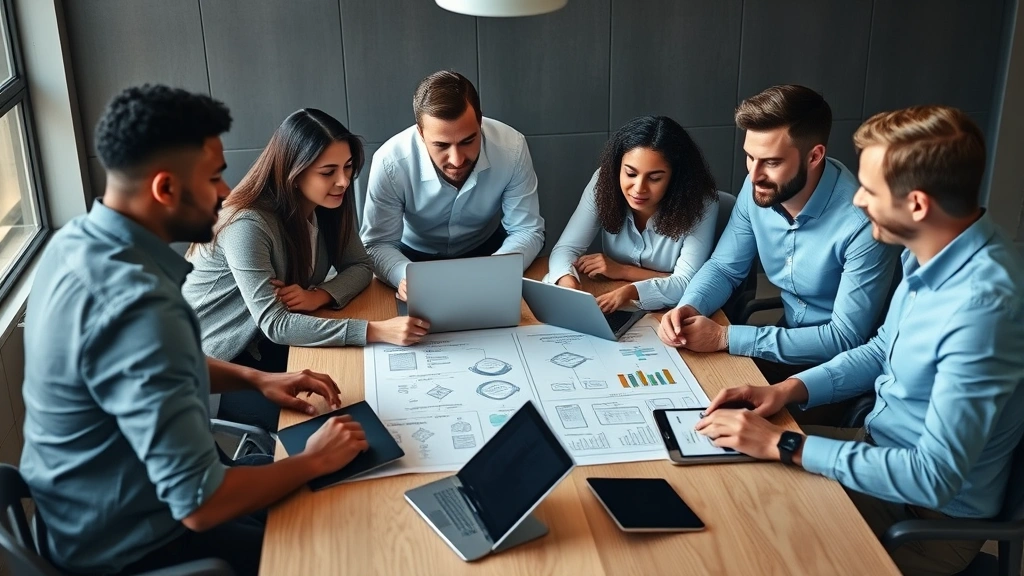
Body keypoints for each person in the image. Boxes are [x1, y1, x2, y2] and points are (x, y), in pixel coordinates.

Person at [20, 85, 370, 576]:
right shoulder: (141, 309)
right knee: (341, 544)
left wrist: (255, 380)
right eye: (213, 177)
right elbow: (200, 503)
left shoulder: (74, 244)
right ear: (166, 189)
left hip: (84, 512)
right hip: (129, 542)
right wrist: (311, 462)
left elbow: (155, 365)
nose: (227, 192)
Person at [695, 105, 1024, 576]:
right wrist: (785, 391)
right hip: (874, 449)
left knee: (753, 551)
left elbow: (933, 478)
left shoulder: (982, 312)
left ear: (916, 204)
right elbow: (878, 348)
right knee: (722, 480)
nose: (857, 201)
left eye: (870, 190)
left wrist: (786, 445)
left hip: (924, 518)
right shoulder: (934, 249)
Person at [184, 108, 429, 432]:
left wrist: (321, 295)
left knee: (373, 392)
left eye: (347, 167)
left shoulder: (327, 205)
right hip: (221, 366)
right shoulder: (247, 224)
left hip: (270, 343)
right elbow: (276, 323)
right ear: (294, 173)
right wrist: (377, 330)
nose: (343, 181)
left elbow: (360, 265)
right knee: (334, 419)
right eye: (328, 171)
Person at [658, 85, 898, 383]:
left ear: (814, 156)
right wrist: (689, 306)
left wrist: (726, 337)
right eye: (750, 157)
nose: (754, 175)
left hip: (845, 368)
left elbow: (844, 337)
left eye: (771, 162)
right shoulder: (758, 187)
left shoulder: (864, 224)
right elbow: (724, 267)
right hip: (785, 337)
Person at [360, 70, 545, 300]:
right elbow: (377, 244)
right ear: (420, 133)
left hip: (489, 252)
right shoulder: (390, 162)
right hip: (411, 259)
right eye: (441, 145)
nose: (457, 160)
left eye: (468, 141)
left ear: (480, 121)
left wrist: (496, 271)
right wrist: (404, 277)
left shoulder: (512, 147)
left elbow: (527, 230)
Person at [544, 116, 718, 312]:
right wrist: (570, 285)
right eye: (630, 174)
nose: (639, 188)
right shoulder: (603, 182)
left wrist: (624, 277)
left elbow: (687, 282)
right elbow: (566, 248)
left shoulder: (701, 203)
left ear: (676, 179)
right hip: (614, 298)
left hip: (675, 311)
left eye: (655, 178)